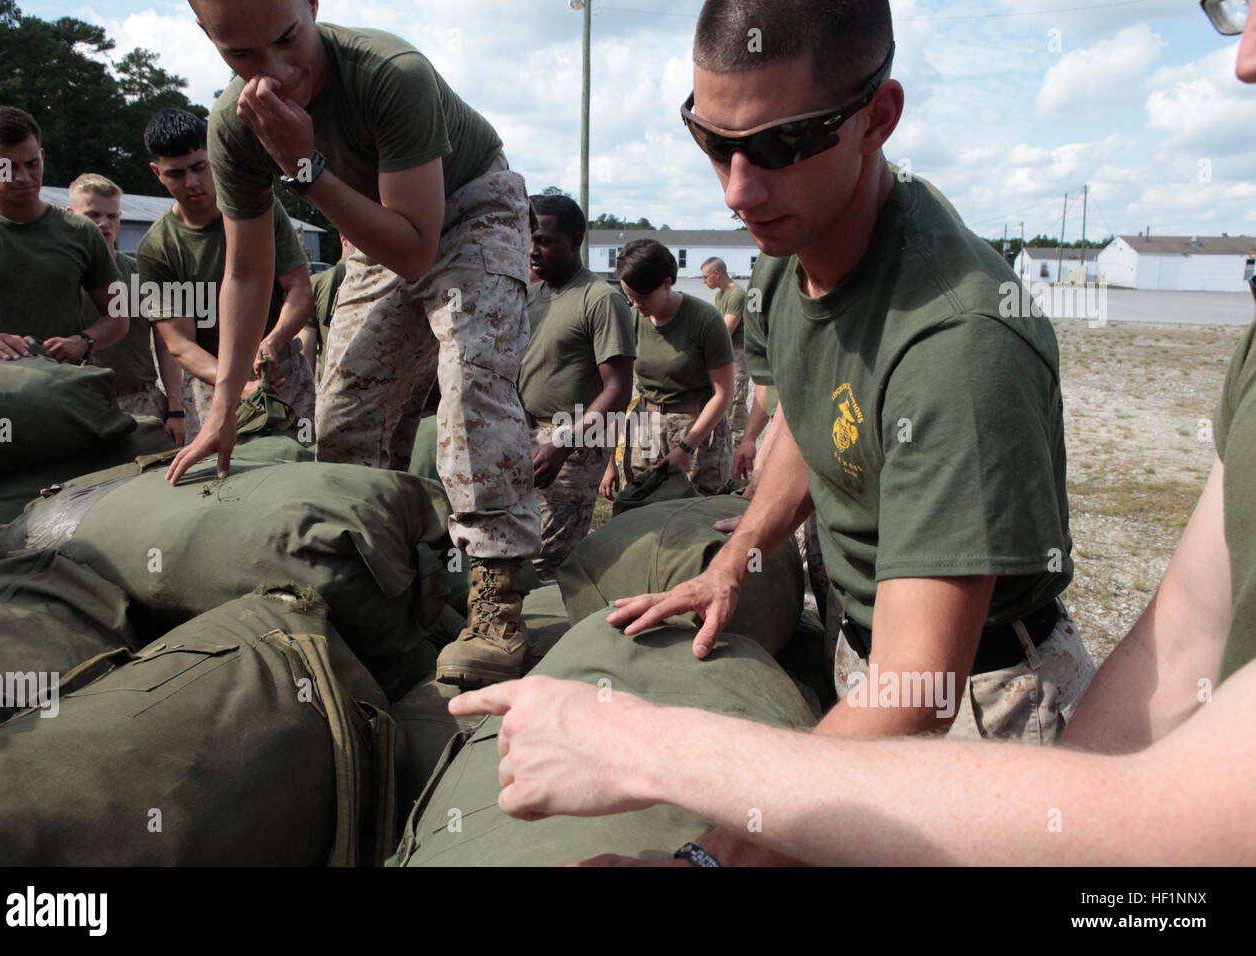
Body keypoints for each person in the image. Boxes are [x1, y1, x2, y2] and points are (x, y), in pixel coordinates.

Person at [448, 0, 1256, 867]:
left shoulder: (959, 344)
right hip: (868, 660)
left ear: (879, 117)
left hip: (980, 713)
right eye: (715, 143)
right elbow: (807, 411)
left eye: (782, 145)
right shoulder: (794, 253)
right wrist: (737, 556)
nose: (738, 189)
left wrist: (709, 852)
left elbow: (921, 691)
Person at [175, 0, 542, 689]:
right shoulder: (233, 125)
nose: (275, 74)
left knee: (471, 378)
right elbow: (247, 270)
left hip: (464, 208)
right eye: (242, 57)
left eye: (287, 40)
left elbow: (416, 248)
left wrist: (305, 166)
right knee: (344, 418)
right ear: (210, 41)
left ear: (313, 5)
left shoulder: (389, 73)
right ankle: (389, 587)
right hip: (373, 219)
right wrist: (223, 402)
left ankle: (498, 599)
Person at [137, 108, 316, 442]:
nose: (191, 183)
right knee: (227, 483)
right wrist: (236, 384)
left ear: (213, 157)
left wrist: (273, 340)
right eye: (176, 174)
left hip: (283, 372)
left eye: (199, 167)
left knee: (301, 468)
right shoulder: (159, 248)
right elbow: (180, 343)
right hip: (214, 383)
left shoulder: (260, 207)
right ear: (157, 173)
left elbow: (299, 290)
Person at [519, 195, 635, 581]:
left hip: (572, 439)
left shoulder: (600, 299)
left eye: (546, 240)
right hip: (524, 431)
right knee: (513, 546)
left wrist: (562, 444)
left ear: (576, 240)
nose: (534, 250)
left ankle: (554, 635)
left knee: (547, 561)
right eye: (529, 238)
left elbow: (617, 390)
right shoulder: (532, 295)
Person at [0, 106, 125, 363]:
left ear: (42, 156)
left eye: (32, 163)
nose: (23, 177)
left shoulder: (81, 231)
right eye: (6, 166)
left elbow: (119, 315)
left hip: (60, 386)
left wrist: (84, 340)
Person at [600, 239, 734, 498]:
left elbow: (723, 394)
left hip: (698, 432)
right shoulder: (630, 320)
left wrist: (686, 447)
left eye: (643, 296)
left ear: (667, 282)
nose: (636, 304)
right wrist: (608, 462)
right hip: (646, 429)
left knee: (695, 518)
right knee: (643, 512)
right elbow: (616, 392)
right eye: (629, 295)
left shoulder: (705, 320)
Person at [67, 173, 186, 444]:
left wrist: (176, 410)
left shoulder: (142, 275)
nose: (104, 224)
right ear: (70, 214)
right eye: (93, 215)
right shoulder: (61, 278)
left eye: (112, 216)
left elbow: (167, 346)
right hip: (80, 402)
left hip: (140, 400)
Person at [700, 256, 750, 446]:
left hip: (736, 352)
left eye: (705, 277)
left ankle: (739, 444)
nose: (704, 281)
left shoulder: (736, 294)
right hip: (725, 351)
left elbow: (726, 329)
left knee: (736, 399)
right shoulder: (720, 295)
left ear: (717, 273)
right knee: (721, 397)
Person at [300, 233, 352, 379]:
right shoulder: (397, 277)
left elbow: (306, 352)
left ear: (343, 237)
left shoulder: (318, 283)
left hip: (335, 391)